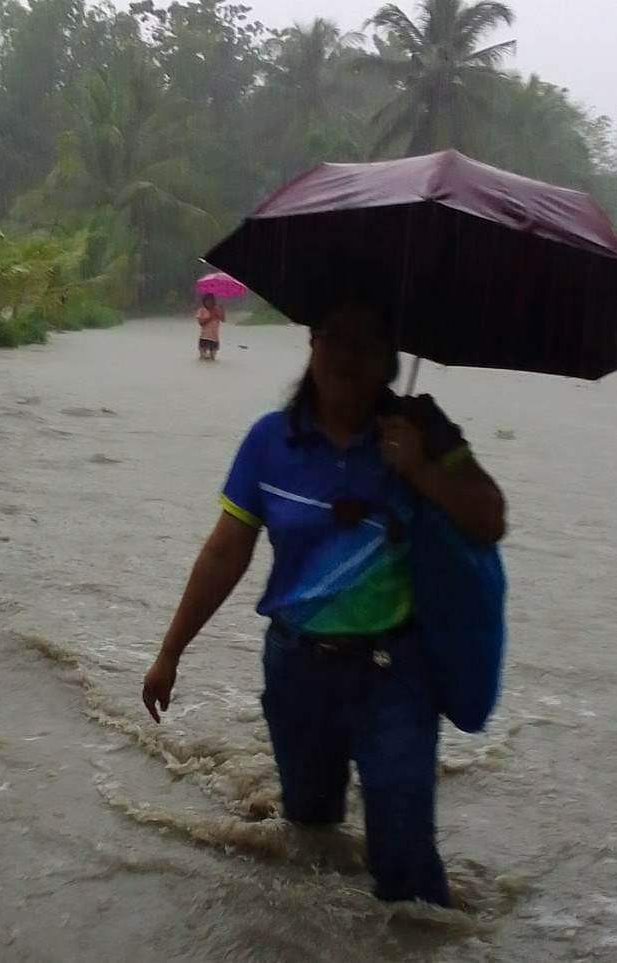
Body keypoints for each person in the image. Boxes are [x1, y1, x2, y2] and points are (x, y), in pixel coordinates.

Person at [142, 303, 507, 906]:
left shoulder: (423, 431)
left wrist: (420, 470)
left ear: (389, 360)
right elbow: (225, 552)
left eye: (367, 343)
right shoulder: (269, 440)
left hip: (396, 675)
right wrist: (169, 653)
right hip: (297, 670)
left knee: (408, 869)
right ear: (311, 345)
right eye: (335, 338)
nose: (347, 356)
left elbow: (490, 519)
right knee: (309, 841)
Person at [196, 293, 224, 361]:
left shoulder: (217, 310)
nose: (209, 302)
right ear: (204, 301)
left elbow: (223, 319)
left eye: (211, 301)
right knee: (202, 358)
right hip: (204, 337)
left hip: (214, 338)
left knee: (212, 359)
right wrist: (211, 317)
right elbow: (201, 323)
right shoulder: (201, 310)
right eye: (207, 301)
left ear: (213, 301)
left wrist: (222, 311)